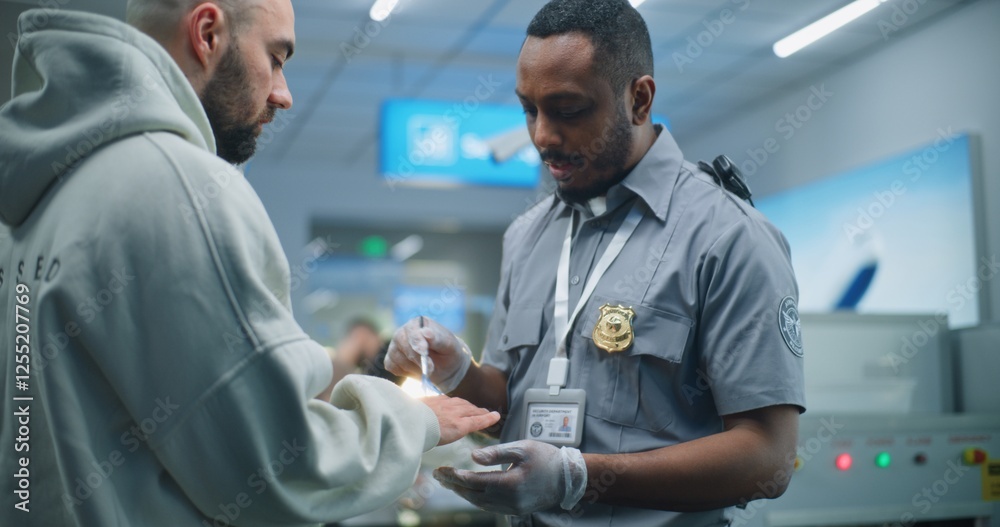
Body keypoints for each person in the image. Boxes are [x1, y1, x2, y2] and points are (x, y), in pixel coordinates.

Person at [0, 1, 498, 526]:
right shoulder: (180, 186)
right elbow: (278, 468)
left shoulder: (41, 198)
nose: (283, 95)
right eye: (276, 58)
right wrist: (412, 422)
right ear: (208, 32)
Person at [384, 0, 805, 525]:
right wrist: (459, 372)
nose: (541, 135)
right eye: (529, 110)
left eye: (568, 109)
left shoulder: (728, 237)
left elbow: (769, 459)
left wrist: (576, 477)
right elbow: (506, 406)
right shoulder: (527, 235)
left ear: (640, 99)